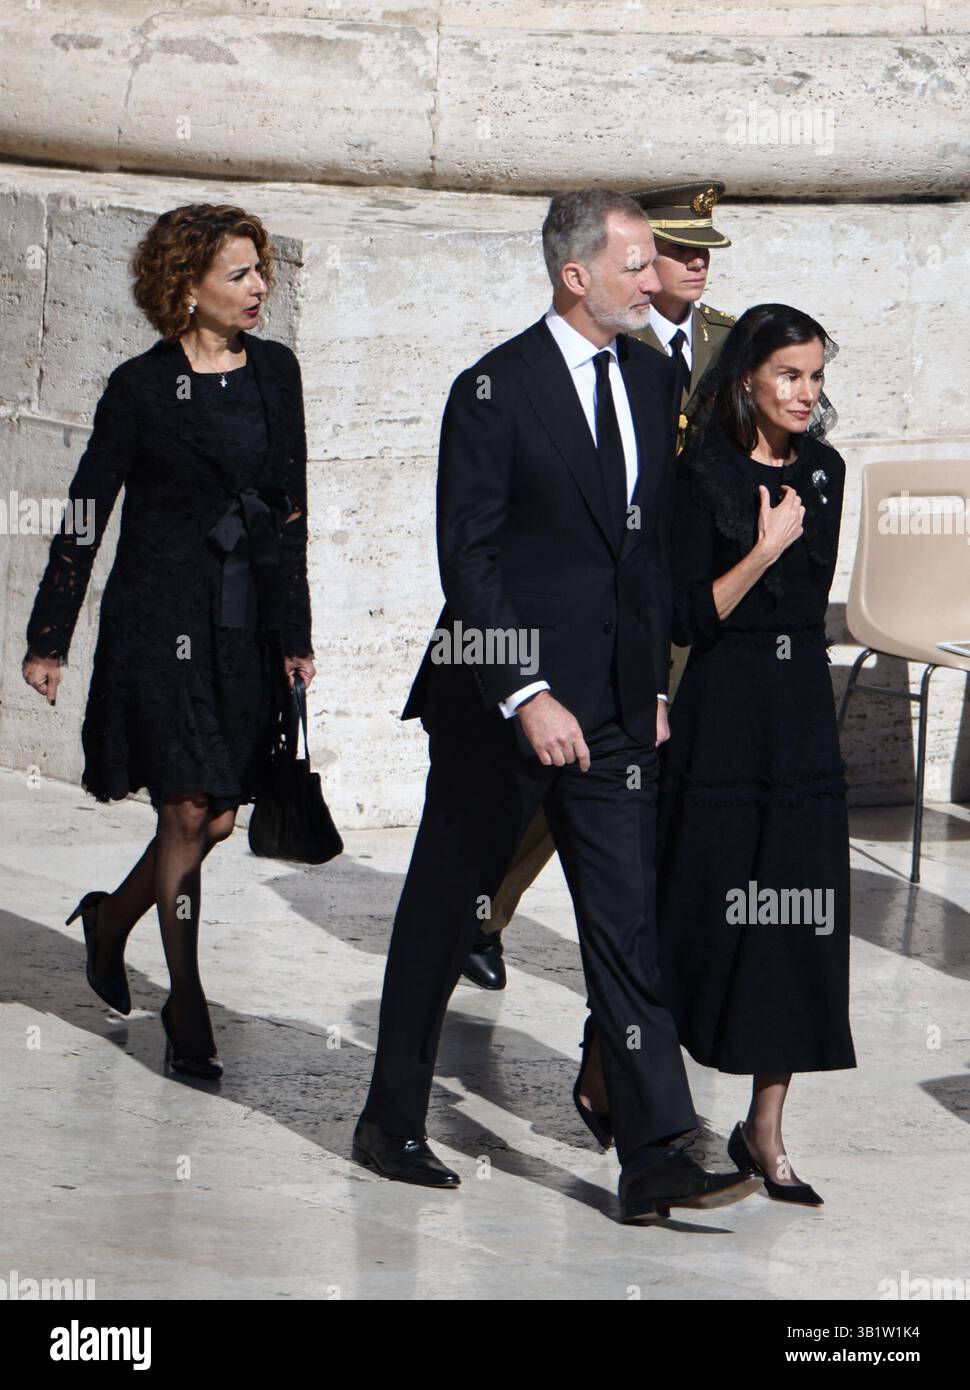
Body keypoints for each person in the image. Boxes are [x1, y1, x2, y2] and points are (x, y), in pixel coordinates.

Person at [353, 188, 760, 1224]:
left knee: (624, 927)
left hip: (619, 706)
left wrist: (650, 684)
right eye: (633, 263)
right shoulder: (491, 389)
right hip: (500, 703)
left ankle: (657, 1144)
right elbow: (470, 563)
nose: (651, 278)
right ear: (574, 274)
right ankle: (390, 1116)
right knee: (449, 908)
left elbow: (651, 549)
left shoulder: (654, 369)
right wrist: (525, 692)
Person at [22, 204, 316, 1080]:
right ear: (186, 289)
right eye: (239, 274)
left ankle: (111, 920)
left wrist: (295, 633)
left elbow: (290, 514)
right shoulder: (140, 389)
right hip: (160, 622)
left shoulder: (277, 373)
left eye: (262, 270)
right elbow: (84, 515)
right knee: (185, 809)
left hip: (244, 624)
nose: (260, 287)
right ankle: (185, 998)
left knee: (220, 815)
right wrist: (49, 638)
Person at [462, 182, 735, 1020]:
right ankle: (480, 918)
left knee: (636, 846)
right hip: (578, 633)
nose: (677, 271)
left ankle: (637, 1085)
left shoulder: (725, 345)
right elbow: (473, 550)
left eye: (693, 256)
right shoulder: (528, 372)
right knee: (549, 806)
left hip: (683, 602)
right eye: (660, 255)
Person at [654, 303, 856, 1204]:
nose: (806, 393)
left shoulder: (825, 470)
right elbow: (689, 617)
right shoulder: (700, 477)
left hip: (801, 717)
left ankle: (764, 1129)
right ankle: (607, 1067)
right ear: (747, 380)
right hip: (723, 712)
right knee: (693, 908)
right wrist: (764, 549)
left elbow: (808, 608)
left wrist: (787, 548)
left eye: (815, 375)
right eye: (789, 375)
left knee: (795, 923)